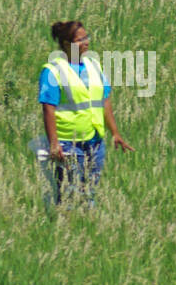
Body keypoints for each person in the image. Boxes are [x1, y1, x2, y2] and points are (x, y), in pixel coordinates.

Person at [39, 20, 134, 209]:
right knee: (69, 193)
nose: (86, 42)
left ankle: (86, 225)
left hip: (95, 141)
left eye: (86, 37)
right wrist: (54, 143)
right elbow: (48, 108)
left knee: (89, 192)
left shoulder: (94, 66)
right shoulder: (53, 71)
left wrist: (115, 132)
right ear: (67, 44)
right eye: (80, 39)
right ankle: (64, 227)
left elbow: (104, 100)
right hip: (69, 143)